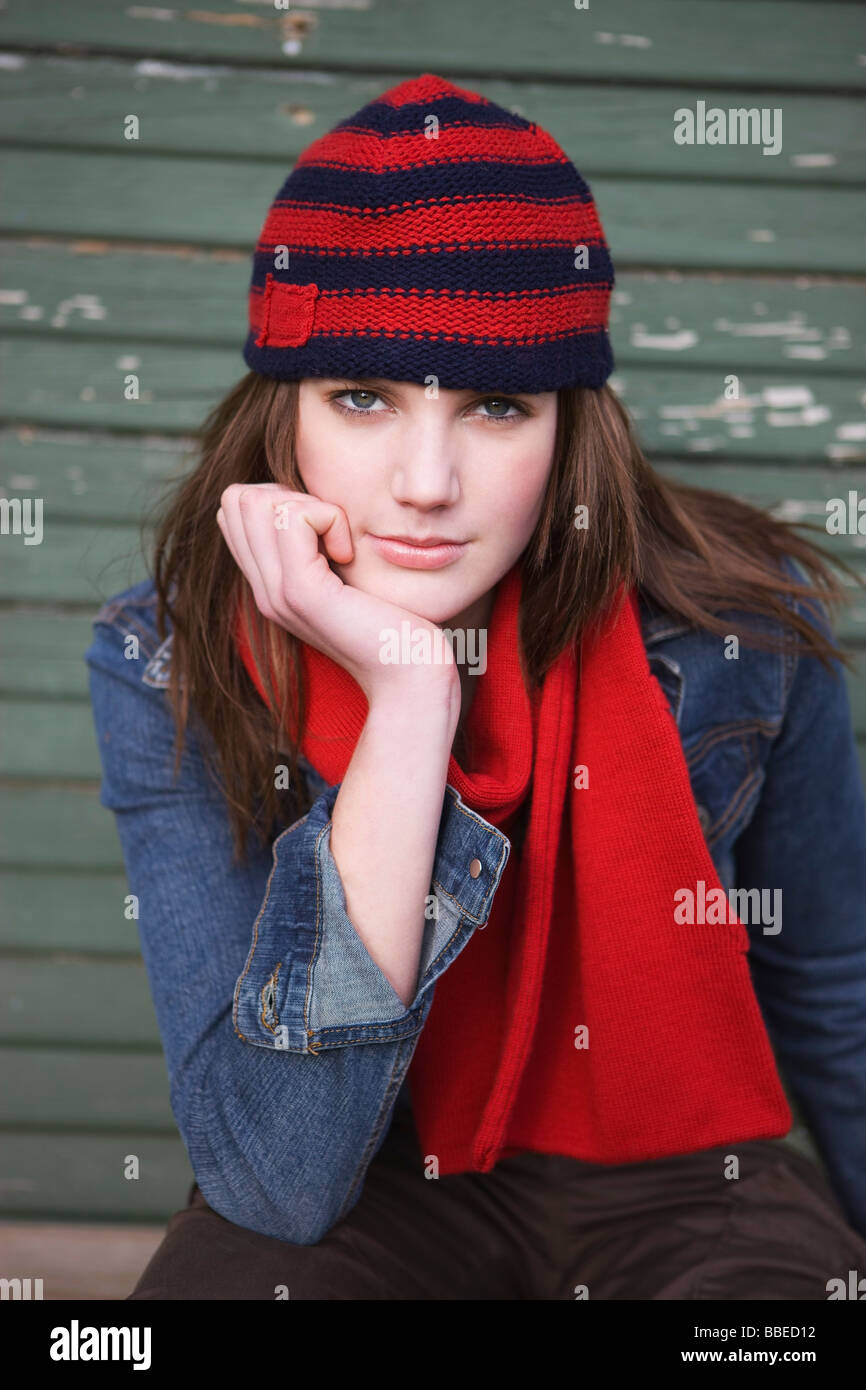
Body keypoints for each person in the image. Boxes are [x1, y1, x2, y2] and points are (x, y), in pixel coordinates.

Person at [85, 73, 866, 1300]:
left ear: (570, 425)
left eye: (497, 405)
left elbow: (832, 985)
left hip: (684, 1179)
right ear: (280, 418)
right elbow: (282, 1178)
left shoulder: (736, 623)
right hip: (370, 1179)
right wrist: (405, 696)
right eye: (363, 397)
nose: (426, 481)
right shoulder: (166, 654)